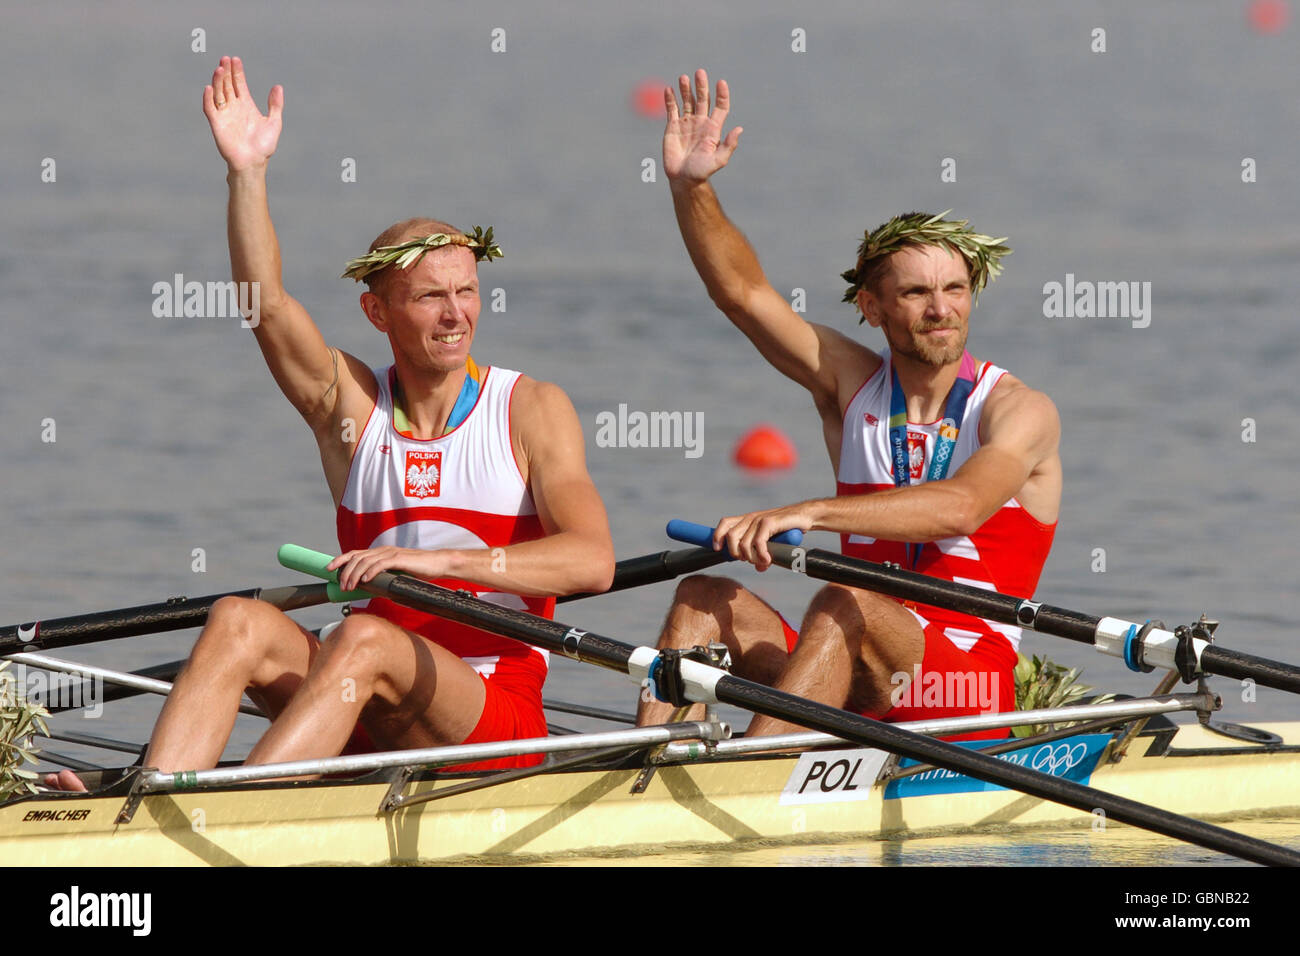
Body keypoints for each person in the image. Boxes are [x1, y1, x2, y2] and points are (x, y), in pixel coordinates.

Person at [45, 57, 613, 791]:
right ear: (377, 312)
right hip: (363, 694)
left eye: (467, 292)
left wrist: (439, 565)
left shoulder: (531, 408)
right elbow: (267, 307)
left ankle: (230, 815)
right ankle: (151, 796)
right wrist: (246, 172)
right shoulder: (352, 408)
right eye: (430, 297)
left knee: (365, 637)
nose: (455, 316)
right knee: (236, 621)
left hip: (489, 715)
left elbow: (591, 561)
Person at [636, 70, 1060, 740]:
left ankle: (748, 783)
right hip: (861, 667)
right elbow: (743, 296)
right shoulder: (850, 385)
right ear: (871, 307)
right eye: (917, 292)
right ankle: (645, 773)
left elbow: (960, 508)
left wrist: (808, 511)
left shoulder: (1017, 410)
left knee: (846, 599)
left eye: (955, 288)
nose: (942, 308)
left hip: (966, 686)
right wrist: (693, 188)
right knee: (702, 600)